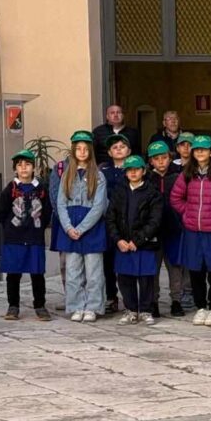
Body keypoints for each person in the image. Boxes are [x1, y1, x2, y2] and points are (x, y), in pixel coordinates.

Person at [170, 135, 211, 327]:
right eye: (196, 149)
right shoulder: (186, 174)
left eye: (204, 149)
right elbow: (175, 198)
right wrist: (187, 213)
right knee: (196, 270)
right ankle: (200, 307)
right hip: (193, 231)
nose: (200, 152)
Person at [53, 131, 109, 323]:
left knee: (94, 272)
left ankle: (93, 307)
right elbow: (60, 203)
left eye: (86, 149)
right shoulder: (66, 175)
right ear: (73, 151)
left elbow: (99, 206)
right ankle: (76, 306)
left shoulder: (99, 176)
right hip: (70, 227)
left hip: (91, 229)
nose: (82, 152)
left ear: (90, 151)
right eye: (79, 149)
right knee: (73, 272)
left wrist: (82, 228)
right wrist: (68, 227)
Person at [107, 155, 163, 326]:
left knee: (146, 278)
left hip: (144, 244)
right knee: (125, 278)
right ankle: (131, 309)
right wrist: (118, 240)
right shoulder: (119, 192)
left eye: (136, 169)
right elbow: (110, 218)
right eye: (129, 170)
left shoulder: (153, 193)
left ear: (143, 171)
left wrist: (138, 240)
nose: (133, 172)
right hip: (123, 244)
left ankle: (146, 310)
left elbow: (155, 221)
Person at [0, 150, 52, 321]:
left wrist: (39, 226)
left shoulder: (41, 189)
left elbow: (47, 211)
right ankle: (13, 306)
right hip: (14, 238)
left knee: (37, 273)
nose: (23, 168)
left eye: (27, 164)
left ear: (34, 168)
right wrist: (10, 228)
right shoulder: (10, 189)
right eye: (20, 165)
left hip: (34, 237)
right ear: (15, 169)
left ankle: (40, 305)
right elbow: (1, 212)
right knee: (13, 274)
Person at [146, 141, 185, 318]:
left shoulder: (179, 176)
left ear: (170, 158)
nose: (161, 162)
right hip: (153, 231)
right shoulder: (146, 178)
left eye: (164, 158)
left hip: (174, 229)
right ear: (151, 161)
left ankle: (176, 300)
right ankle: (153, 301)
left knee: (175, 267)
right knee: (152, 267)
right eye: (156, 159)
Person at [100, 134, 132, 315]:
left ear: (128, 150)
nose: (118, 149)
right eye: (115, 147)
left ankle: (130, 298)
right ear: (109, 152)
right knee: (108, 263)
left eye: (122, 146)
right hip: (108, 222)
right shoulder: (103, 173)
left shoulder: (134, 170)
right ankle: (111, 297)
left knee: (126, 262)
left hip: (128, 222)